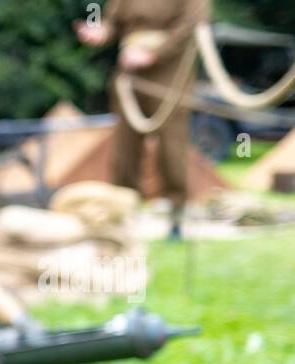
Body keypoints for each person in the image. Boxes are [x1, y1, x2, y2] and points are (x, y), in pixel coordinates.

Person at [75, 0, 212, 239]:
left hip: (169, 73)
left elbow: (191, 24)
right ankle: (123, 212)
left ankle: (176, 216)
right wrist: (101, 32)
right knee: (123, 149)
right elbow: (114, 23)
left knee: (172, 147)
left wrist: (153, 53)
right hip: (130, 72)